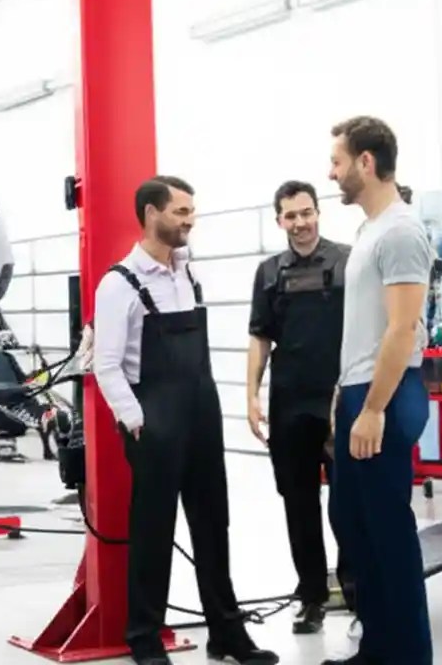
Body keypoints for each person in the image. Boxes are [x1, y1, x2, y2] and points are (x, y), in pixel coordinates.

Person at [92, 175, 279, 665]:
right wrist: (135, 420)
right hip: (154, 421)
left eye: (191, 211)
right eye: (180, 211)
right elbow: (106, 364)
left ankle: (227, 633)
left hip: (201, 414)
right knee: (153, 532)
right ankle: (144, 638)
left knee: (214, 525)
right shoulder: (119, 284)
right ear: (151, 214)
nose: (189, 220)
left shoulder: (186, 275)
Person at [322, 116, 434, 665]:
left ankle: (408, 656)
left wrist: (371, 408)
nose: (331, 172)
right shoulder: (371, 230)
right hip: (360, 391)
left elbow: (402, 329)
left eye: (338, 161)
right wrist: (344, 394)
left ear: (366, 162)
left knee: (387, 531)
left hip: (385, 394)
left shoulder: (401, 232)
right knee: (353, 522)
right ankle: (378, 648)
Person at [246, 180, 354, 635]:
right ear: (279, 221)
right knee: (299, 505)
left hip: (340, 401)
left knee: (350, 504)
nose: (300, 222)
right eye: (290, 215)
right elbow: (260, 337)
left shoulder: (348, 261)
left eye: (306, 212)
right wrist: (251, 395)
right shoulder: (269, 272)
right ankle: (311, 598)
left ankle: (358, 593)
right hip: (289, 404)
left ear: (318, 213)